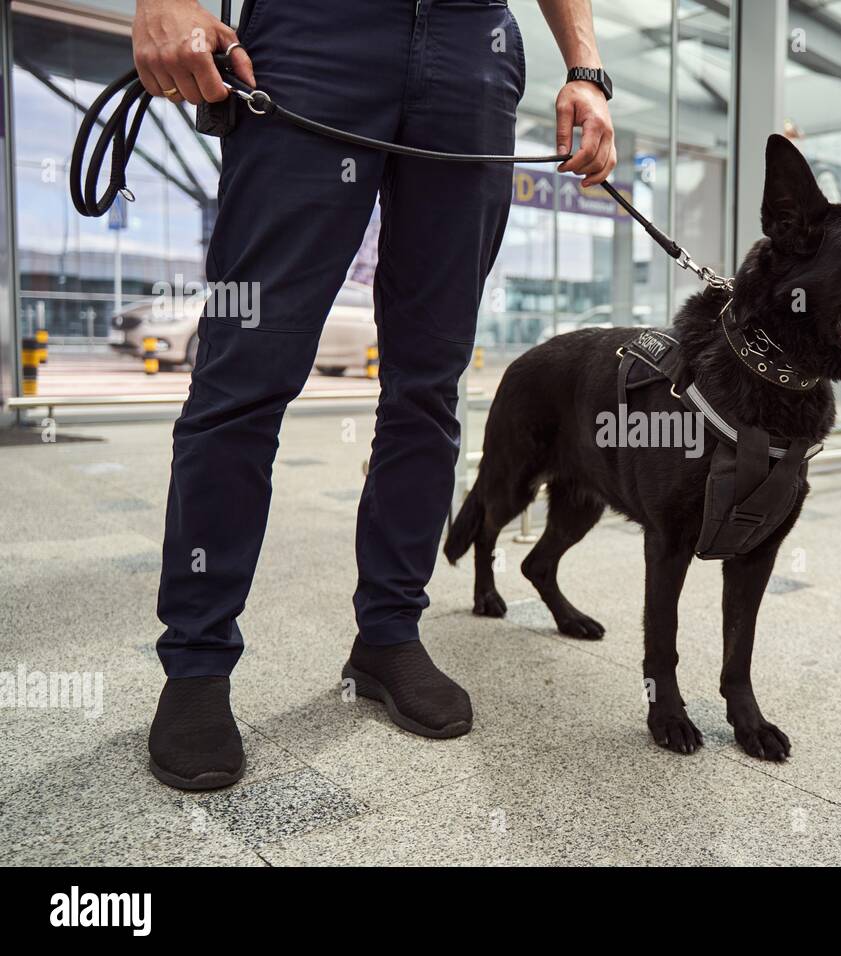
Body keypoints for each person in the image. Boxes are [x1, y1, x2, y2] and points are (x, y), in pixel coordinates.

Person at [133, 0, 616, 790]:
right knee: (243, 377)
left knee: (430, 386)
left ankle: (389, 634)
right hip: (316, 31)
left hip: (473, 46)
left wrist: (586, 69)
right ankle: (196, 665)